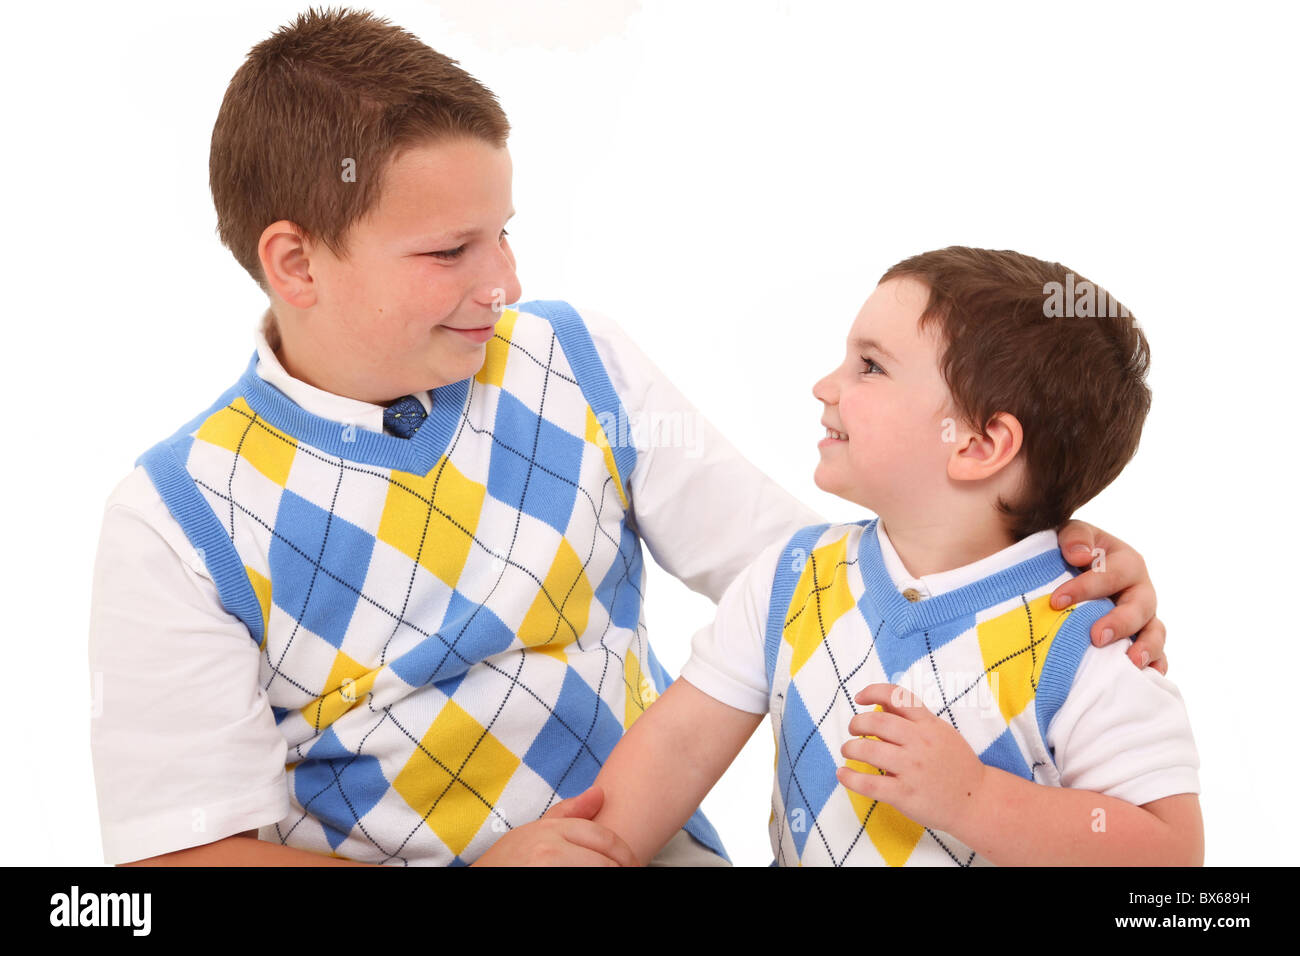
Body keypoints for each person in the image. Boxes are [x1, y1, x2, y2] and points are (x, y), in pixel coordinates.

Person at [88, 9, 1170, 867]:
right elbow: (183, 851)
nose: (503, 282)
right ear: (295, 263)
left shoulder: (572, 361)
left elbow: (818, 589)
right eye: (451, 249)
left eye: (504, 234)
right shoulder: (178, 514)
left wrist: (1035, 544)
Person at [589, 247, 1202, 866]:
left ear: (979, 444)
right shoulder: (789, 577)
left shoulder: (1088, 636)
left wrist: (977, 800)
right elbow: (679, 745)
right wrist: (594, 848)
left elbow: (1172, 856)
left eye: (871, 366)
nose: (826, 386)